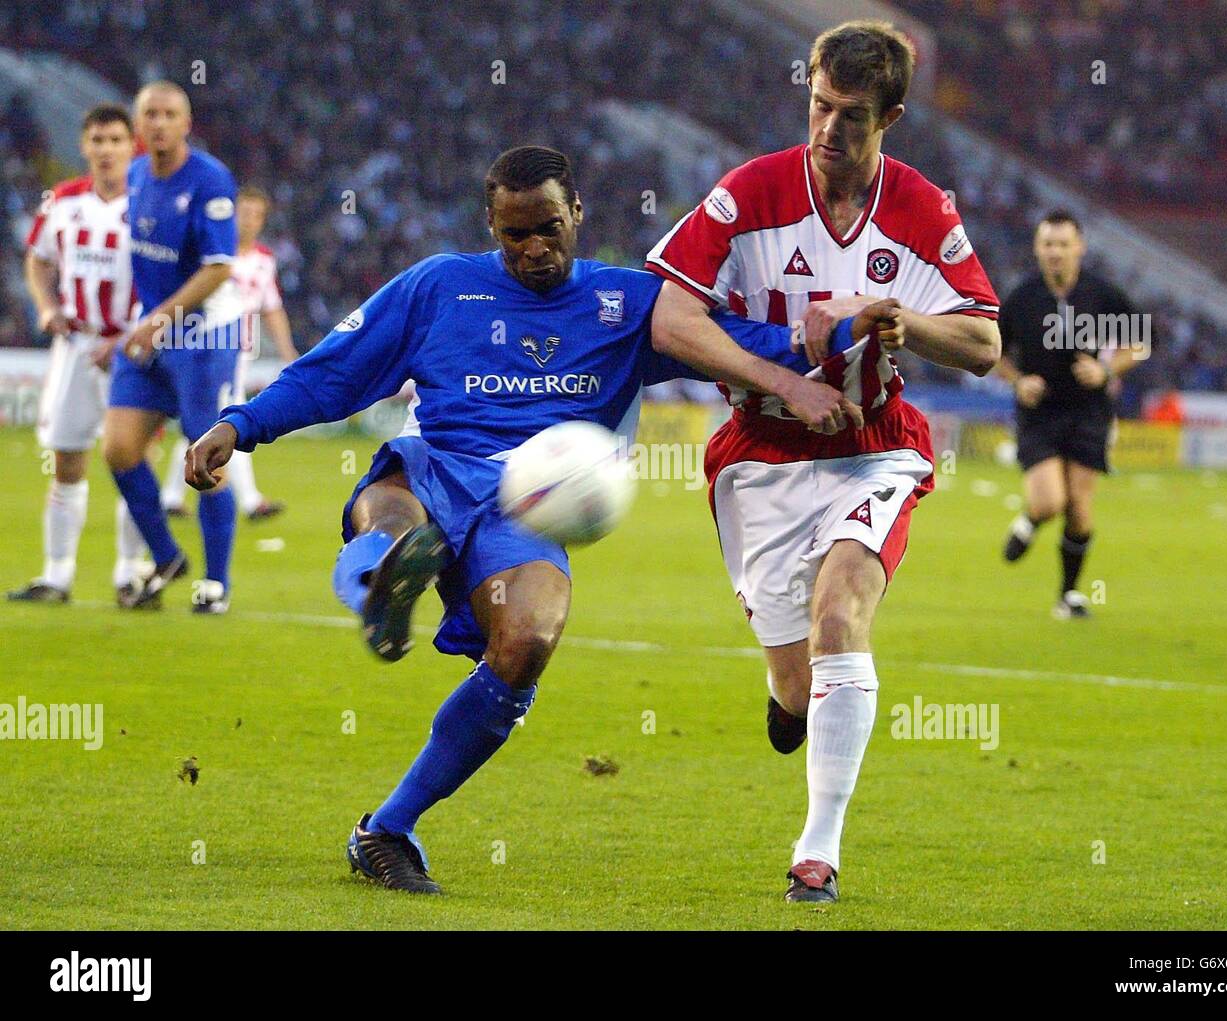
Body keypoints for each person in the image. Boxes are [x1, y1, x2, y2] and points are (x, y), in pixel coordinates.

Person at [186, 145, 889, 895]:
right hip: (440, 465)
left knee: (527, 641)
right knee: (395, 507)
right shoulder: (438, 287)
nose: (533, 248)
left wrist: (844, 333)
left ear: (577, 214)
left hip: (528, 509)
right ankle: (380, 578)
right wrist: (243, 423)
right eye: (514, 233)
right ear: (490, 223)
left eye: (548, 227)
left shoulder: (632, 304)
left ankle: (384, 828)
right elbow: (336, 371)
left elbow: (733, 342)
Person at [646, 20, 1001, 903]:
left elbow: (986, 343)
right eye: (818, 106)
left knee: (842, 614)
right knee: (799, 681)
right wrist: (786, 383)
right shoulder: (749, 193)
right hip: (759, 458)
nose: (828, 130)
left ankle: (818, 850)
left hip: (872, 449)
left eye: (850, 116)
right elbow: (669, 318)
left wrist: (897, 318)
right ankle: (793, 696)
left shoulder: (922, 209)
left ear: (892, 117)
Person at [104, 81, 242, 614]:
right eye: (150, 115)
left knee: (202, 457)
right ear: (140, 127)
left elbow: (218, 267)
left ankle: (216, 584)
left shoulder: (210, 180)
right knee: (118, 448)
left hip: (202, 335)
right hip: (152, 334)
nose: (159, 123)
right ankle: (166, 556)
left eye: (169, 114)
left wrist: (160, 318)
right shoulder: (136, 174)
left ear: (186, 123)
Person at [8, 104, 153, 608]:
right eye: (97, 140)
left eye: (116, 140)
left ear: (131, 145)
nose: (106, 149)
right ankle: (57, 576)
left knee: (134, 457)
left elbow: (168, 279)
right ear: (85, 145)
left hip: (132, 348)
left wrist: (139, 333)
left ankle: (130, 575)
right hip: (75, 344)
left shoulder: (148, 204)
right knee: (67, 460)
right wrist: (47, 307)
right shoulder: (63, 201)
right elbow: (38, 260)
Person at [994, 211, 1144, 619]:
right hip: (1039, 414)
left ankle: (1068, 595)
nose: (1056, 252)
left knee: (1079, 505)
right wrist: (1018, 381)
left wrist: (1107, 370)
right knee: (1049, 502)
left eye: (1063, 244)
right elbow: (993, 352)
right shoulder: (1022, 299)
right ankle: (1030, 520)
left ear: (1080, 248)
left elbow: (1141, 343)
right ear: (1037, 249)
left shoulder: (1103, 295)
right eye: (1048, 244)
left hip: (1089, 411)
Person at [162, 185, 296, 522]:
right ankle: (250, 501)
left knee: (211, 418)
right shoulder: (213, 256)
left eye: (256, 215)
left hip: (240, 351)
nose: (249, 220)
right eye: (244, 212)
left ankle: (172, 496)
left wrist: (287, 351)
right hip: (206, 348)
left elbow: (272, 308)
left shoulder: (264, 261)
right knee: (228, 417)